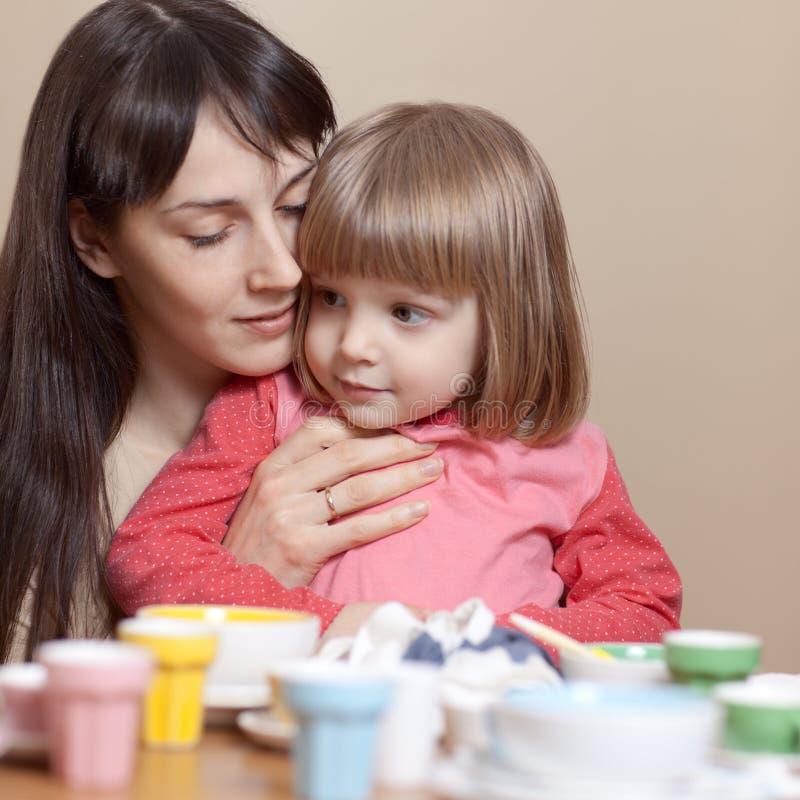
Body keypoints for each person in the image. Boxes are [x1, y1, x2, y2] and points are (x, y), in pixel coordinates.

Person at [108, 103, 682, 643]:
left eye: (405, 313)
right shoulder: (269, 406)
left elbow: (644, 610)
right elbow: (151, 557)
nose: (353, 345)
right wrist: (327, 625)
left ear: (505, 319)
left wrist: (484, 643)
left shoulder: (568, 457)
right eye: (330, 296)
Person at [0, 0, 445, 663]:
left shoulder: (393, 396)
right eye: (210, 233)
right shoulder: (39, 498)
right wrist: (227, 599)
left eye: (297, 205)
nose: (284, 268)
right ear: (95, 240)